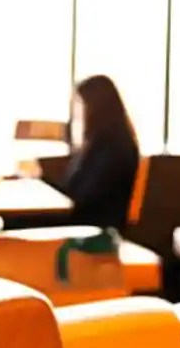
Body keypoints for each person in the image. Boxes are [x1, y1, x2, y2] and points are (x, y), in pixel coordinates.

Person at [60, 75, 140, 231]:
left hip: (91, 232)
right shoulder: (104, 145)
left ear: (94, 111)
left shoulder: (111, 151)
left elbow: (82, 200)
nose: (74, 122)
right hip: (85, 225)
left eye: (77, 114)